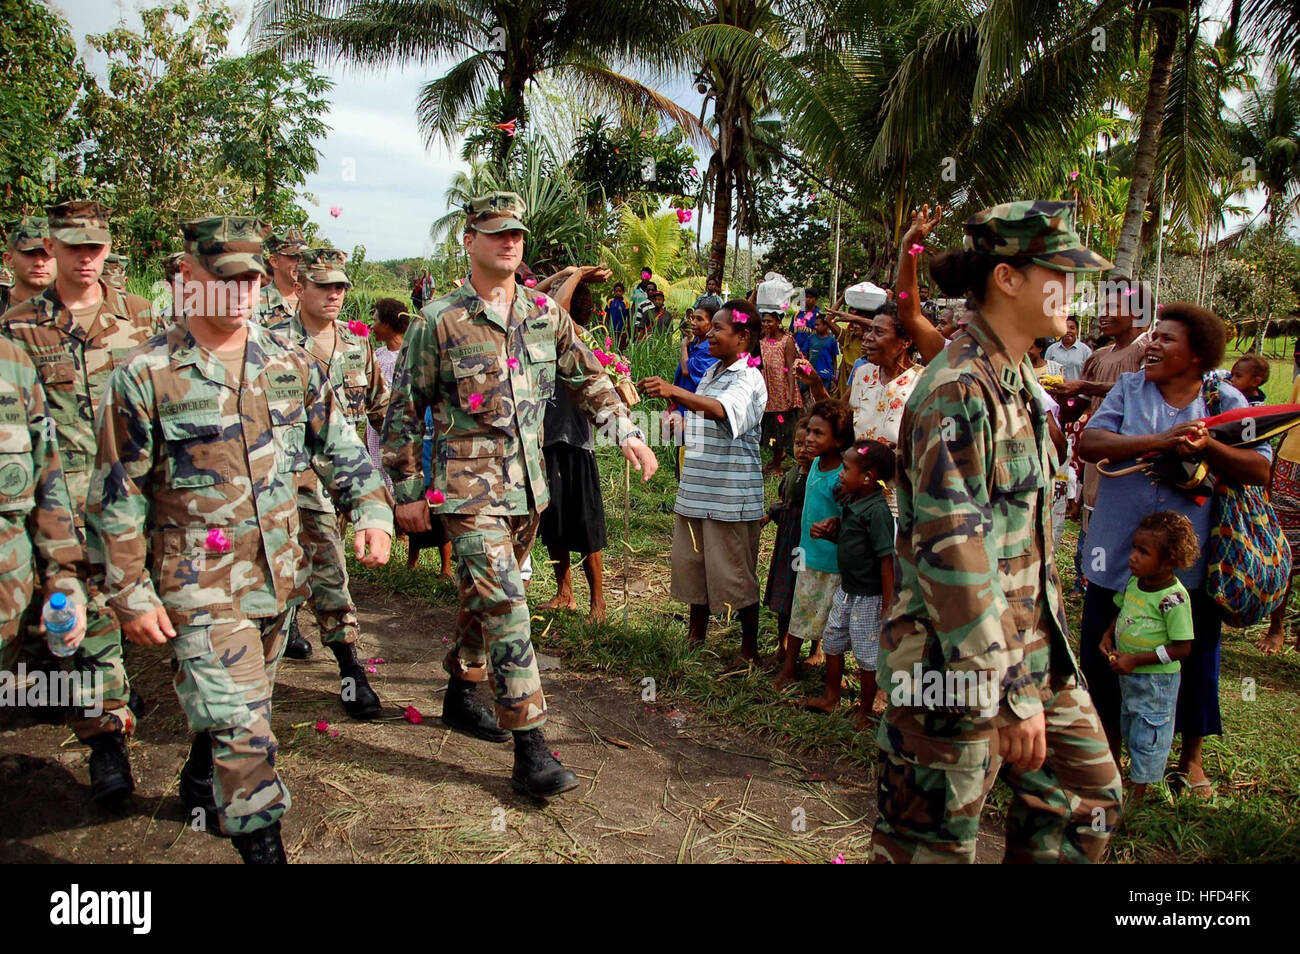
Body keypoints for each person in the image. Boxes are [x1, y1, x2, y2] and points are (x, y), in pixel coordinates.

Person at [85, 215, 393, 862]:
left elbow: (338, 445)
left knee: (243, 704)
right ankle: (261, 842)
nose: (245, 291)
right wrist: (131, 592)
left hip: (278, 577)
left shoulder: (289, 364)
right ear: (191, 279)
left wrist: (369, 508)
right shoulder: (147, 375)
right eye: (228, 278)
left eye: (253, 278)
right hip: (198, 586)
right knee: (246, 730)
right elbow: (116, 497)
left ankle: (201, 771)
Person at [384, 191, 657, 799]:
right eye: (495, 233)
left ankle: (461, 688)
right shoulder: (439, 321)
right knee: (508, 605)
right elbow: (403, 411)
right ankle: (530, 746)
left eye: (516, 234)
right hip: (467, 492)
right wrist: (404, 489)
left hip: (531, 489)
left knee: (485, 598)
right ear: (470, 241)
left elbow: (588, 377)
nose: (509, 242)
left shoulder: (542, 314)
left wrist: (628, 432)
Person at [874, 200, 1122, 864]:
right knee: (928, 848)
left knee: (1087, 801)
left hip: (1032, 650)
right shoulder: (959, 388)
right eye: (1060, 273)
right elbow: (952, 549)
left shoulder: (1015, 382)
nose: (1074, 289)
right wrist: (1005, 694)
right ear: (1008, 279)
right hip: (951, 670)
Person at [1078, 302, 1270, 800]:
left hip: (1188, 564)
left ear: (1197, 356)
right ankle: (1113, 756)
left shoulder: (1224, 398)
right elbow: (1091, 441)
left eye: (1166, 339)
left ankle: (1191, 759)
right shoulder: (1129, 389)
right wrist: (1160, 441)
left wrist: (1207, 446)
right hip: (1117, 552)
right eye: (1154, 336)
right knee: (1105, 654)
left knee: (1194, 655)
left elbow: (1259, 468)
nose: (1153, 345)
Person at [1, 199, 157, 805]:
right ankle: (106, 742)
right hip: (59, 501)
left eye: (96, 247)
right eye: (73, 247)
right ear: (54, 247)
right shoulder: (18, 326)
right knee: (87, 619)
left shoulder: (142, 320)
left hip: (133, 500)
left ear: (108, 248)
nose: (85, 258)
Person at [640, 301, 766, 663]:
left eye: (718, 329)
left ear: (742, 338)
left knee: (736, 575)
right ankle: (696, 639)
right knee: (694, 569)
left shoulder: (748, 377)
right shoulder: (713, 371)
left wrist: (673, 391)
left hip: (729, 496)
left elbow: (720, 410)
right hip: (696, 489)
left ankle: (749, 649)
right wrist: (677, 422)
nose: (708, 333)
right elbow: (704, 414)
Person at [1099, 512, 1198, 802]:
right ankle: (1132, 782)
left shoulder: (1175, 598)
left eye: (1143, 552)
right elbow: (1124, 611)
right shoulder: (1135, 583)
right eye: (1134, 548)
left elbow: (1182, 648)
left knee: (1148, 736)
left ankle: (1137, 797)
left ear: (1170, 560)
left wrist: (1136, 659)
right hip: (1131, 678)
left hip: (1156, 683)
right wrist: (1109, 634)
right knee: (1131, 726)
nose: (1132, 557)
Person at [801, 440, 896, 730]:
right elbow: (851, 541)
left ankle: (865, 711)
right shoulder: (852, 502)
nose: (841, 473)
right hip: (847, 590)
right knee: (832, 641)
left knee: (866, 657)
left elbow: (886, 560)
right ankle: (831, 697)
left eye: (847, 469)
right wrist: (830, 533)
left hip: (868, 596)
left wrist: (888, 605)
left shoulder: (877, 512)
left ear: (867, 477)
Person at [537, 275, 610, 623]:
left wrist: (578, 272)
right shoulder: (537, 330)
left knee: (585, 524)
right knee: (553, 519)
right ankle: (565, 592)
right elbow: (530, 300)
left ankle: (598, 601)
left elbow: (554, 309)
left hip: (575, 440)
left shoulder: (578, 334)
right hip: (546, 437)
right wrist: (566, 272)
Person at [773, 399, 855, 690]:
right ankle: (788, 668)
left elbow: (851, 515)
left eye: (818, 434)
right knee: (800, 613)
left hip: (833, 562)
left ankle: (832, 681)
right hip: (807, 557)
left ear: (840, 440)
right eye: (809, 432)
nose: (809, 439)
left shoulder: (843, 475)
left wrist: (836, 525)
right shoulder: (815, 465)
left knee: (835, 625)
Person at [763, 417, 811, 659]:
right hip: (789, 543)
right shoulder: (792, 474)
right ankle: (782, 645)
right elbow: (784, 504)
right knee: (787, 592)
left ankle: (816, 648)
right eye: (798, 444)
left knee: (809, 593)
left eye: (809, 445)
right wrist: (770, 514)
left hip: (810, 545)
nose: (802, 450)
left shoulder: (820, 477)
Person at [1262, 369, 1300, 655]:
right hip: (1290, 467)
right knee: (1284, 551)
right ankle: (1276, 628)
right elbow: (1289, 420)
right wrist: (1272, 469)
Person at [367, 297, 410, 493]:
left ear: (387, 324)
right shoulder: (376, 355)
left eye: (375, 320)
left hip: (400, 432)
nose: (372, 326)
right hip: (376, 432)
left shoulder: (409, 356)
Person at [758, 310, 800, 474]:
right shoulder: (761, 341)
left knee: (780, 428)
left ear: (778, 321)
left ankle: (777, 464)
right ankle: (776, 457)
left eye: (770, 321)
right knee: (769, 427)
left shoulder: (786, 341)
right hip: (766, 389)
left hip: (781, 389)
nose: (766, 324)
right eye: (764, 321)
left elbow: (790, 368)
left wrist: (790, 391)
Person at [1, 217, 56, 313]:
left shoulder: (78, 307)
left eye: (47, 254)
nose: (39, 263)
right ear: (9, 259)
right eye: (29, 253)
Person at [256, 226, 306, 325]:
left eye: (303, 256)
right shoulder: (255, 302)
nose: (299, 263)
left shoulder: (314, 300)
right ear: (274, 261)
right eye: (293, 257)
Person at [1045, 316, 1091, 380]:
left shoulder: (1085, 350)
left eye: (1072, 328)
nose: (1068, 331)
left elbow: (1089, 374)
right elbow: (1045, 371)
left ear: (1077, 330)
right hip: (1055, 389)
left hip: (1077, 389)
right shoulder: (1051, 349)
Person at [805, 314, 840, 392]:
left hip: (826, 375)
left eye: (818, 325)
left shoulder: (831, 340)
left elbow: (834, 359)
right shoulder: (811, 338)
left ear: (826, 326)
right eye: (815, 325)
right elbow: (806, 356)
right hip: (812, 374)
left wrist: (833, 376)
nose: (816, 327)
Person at [792, 288, 820, 354]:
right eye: (806, 297)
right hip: (797, 350)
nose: (808, 299)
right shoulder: (797, 314)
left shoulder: (819, 316)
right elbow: (791, 332)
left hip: (813, 351)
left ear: (816, 299)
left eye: (810, 297)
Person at [607, 281, 630, 348]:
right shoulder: (610, 302)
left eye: (620, 291)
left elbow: (628, 316)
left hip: (622, 330)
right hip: (612, 329)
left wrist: (627, 328)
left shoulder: (625, 302)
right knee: (611, 346)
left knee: (621, 347)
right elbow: (607, 315)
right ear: (614, 291)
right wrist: (607, 326)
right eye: (616, 291)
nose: (618, 293)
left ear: (623, 292)